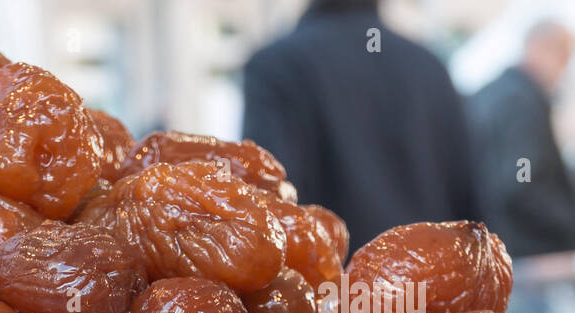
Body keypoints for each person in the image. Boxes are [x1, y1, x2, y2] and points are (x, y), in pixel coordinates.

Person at [242, 0, 481, 250]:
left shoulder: (276, 65)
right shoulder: (430, 67)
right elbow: (470, 204)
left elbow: (270, 203)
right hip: (432, 281)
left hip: (332, 285)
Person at [469, 19, 575, 257]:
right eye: (564, 60)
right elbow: (522, 185)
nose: (562, 72)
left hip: (490, 244)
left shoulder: (491, 93)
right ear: (543, 49)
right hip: (523, 251)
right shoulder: (522, 101)